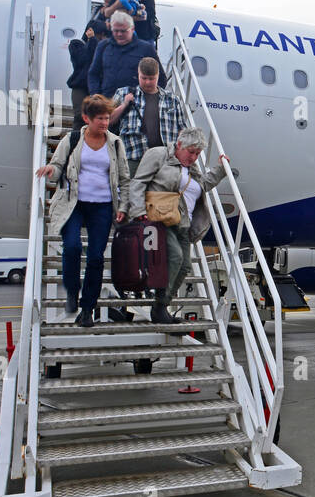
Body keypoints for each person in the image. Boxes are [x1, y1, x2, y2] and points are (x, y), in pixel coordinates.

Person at [36, 95, 130, 327]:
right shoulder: (73, 138)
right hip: (74, 203)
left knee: (96, 258)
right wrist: (51, 169)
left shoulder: (115, 143)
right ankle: (71, 292)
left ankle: (87, 308)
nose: (105, 122)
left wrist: (124, 206)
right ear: (87, 118)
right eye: (100, 118)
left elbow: (125, 179)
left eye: (107, 118)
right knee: (72, 247)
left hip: (102, 206)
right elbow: (58, 165)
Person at [128, 126, 231, 323]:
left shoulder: (192, 168)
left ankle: (161, 305)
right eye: (191, 152)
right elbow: (138, 182)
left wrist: (220, 170)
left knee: (184, 266)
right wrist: (138, 213)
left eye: (197, 153)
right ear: (179, 145)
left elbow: (204, 185)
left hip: (183, 224)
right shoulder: (159, 155)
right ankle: (158, 303)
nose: (193, 157)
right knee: (174, 257)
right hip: (160, 219)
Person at [109, 57, 187, 176]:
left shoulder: (172, 99)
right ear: (138, 74)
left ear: (158, 75)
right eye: (143, 78)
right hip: (133, 157)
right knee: (130, 193)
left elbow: (182, 129)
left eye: (152, 79)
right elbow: (108, 120)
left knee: (161, 194)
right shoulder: (123, 93)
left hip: (164, 160)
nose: (147, 82)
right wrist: (124, 104)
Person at [86, 11, 166, 101]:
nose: (119, 34)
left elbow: (160, 78)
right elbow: (93, 74)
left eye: (123, 31)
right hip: (108, 104)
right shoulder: (103, 46)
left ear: (132, 29)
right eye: (116, 30)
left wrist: (150, 100)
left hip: (136, 105)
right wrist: (96, 96)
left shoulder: (146, 49)